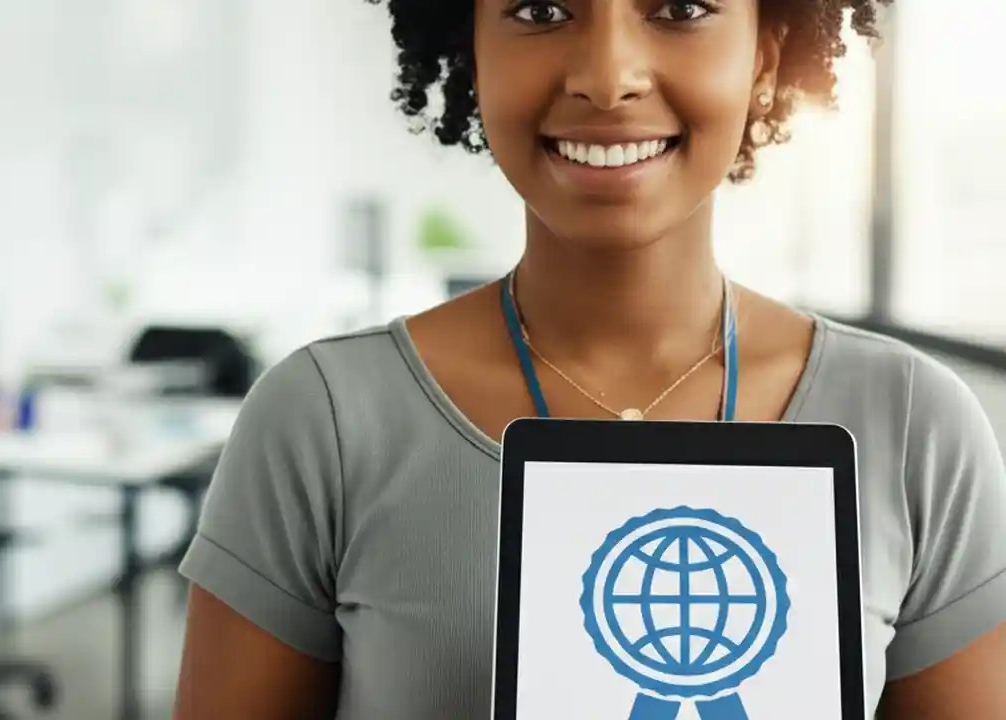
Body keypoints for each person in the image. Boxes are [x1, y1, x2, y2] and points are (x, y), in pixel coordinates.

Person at [174, 1, 1006, 717]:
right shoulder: (322, 421)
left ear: (766, 56)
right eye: (539, 9)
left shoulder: (912, 426)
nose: (608, 78)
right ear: (473, 47)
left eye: (680, 8)